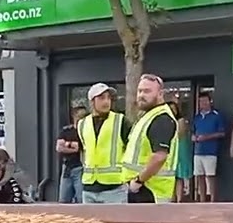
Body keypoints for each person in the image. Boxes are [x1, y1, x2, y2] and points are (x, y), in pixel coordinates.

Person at [120, 74, 179, 204]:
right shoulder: (149, 116)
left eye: (147, 91)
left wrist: (138, 181)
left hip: (149, 191)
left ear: (160, 94)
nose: (141, 95)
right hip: (142, 189)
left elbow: (160, 157)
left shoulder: (161, 119)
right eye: (140, 91)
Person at [77, 83, 130, 204]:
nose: (106, 101)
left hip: (114, 188)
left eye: (108, 98)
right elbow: (83, 152)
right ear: (92, 101)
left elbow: (131, 151)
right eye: (101, 98)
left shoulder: (121, 121)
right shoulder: (82, 124)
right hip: (89, 187)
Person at [191, 92, 225, 201]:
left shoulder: (216, 116)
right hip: (198, 151)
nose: (203, 104)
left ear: (210, 102)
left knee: (210, 176)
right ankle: (202, 199)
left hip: (211, 151)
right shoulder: (197, 117)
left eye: (205, 101)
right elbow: (192, 131)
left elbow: (222, 133)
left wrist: (206, 137)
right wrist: (193, 137)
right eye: (201, 101)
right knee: (199, 176)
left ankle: (212, 200)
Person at [55, 106, 87, 203]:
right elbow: (59, 147)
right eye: (79, 115)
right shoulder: (66, 131)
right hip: (67, 168)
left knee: (81, 199)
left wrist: (67, 144)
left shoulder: (85, 131)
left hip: (80, 167)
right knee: (64, 199)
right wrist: (71, 145)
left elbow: (78, 147)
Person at [175, 111, 194, 202]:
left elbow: (180, 134)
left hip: (180, 152)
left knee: (180, 176)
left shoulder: (181, 121)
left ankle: (179, 199)